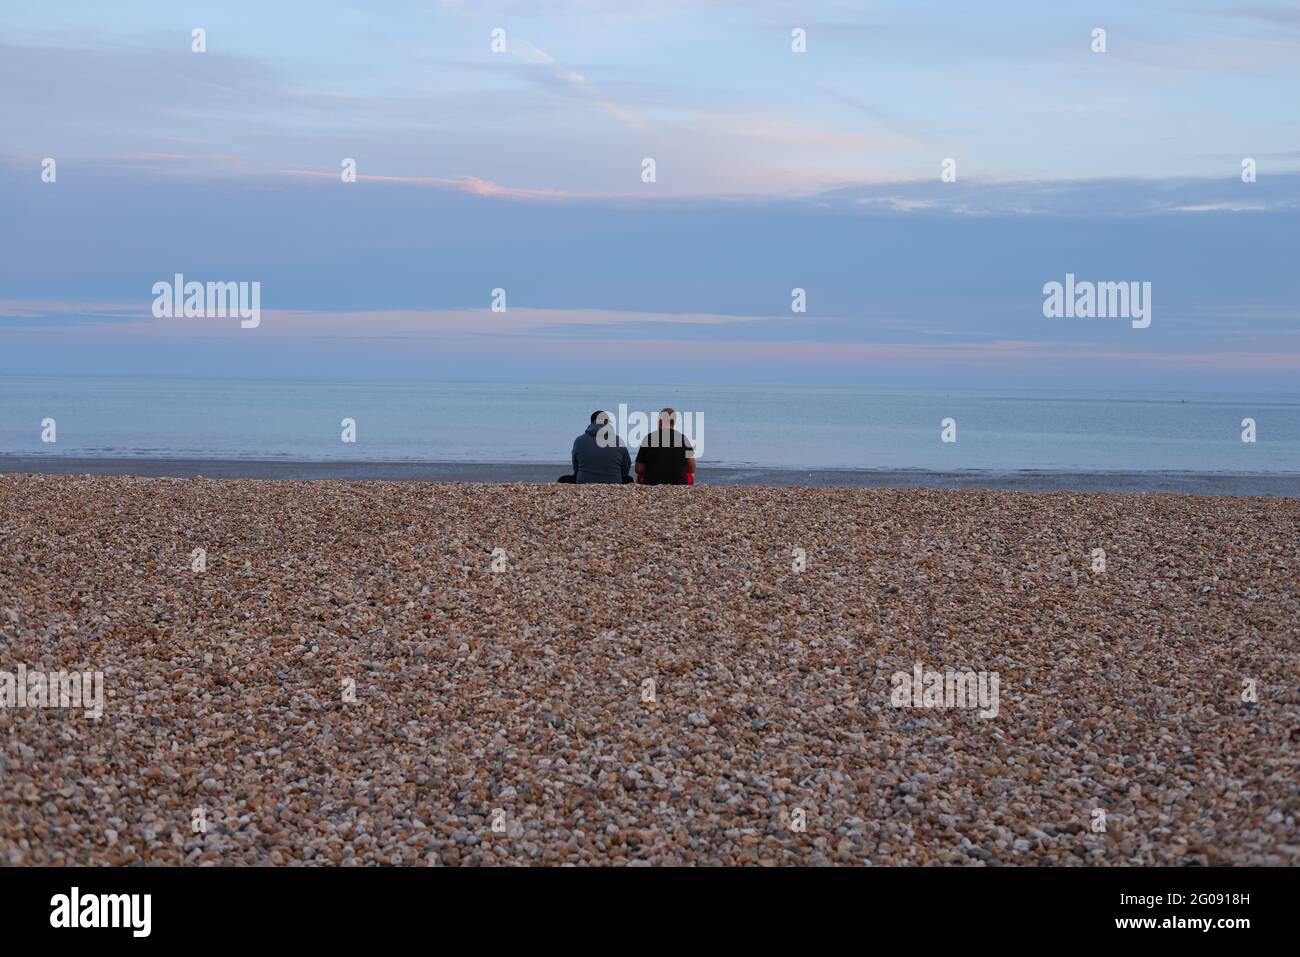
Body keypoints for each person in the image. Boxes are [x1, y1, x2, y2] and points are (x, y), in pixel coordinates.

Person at [560, 410, 632, 484]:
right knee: (629, 479)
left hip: (583, 482)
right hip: (614, 482)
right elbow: (626, 465)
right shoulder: (618, 440)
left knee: (563, 479)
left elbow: (576, 467)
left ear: (591, 422)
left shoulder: (579, 440)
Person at [635, 408, 696, 485]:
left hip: (651, 483)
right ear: (673, 422)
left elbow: (638, 469)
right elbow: (692, 468)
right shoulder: (684, 439)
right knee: (691, 475)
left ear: (660, 422)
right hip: (679, 483)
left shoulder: (648, 438)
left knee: (639, 475)